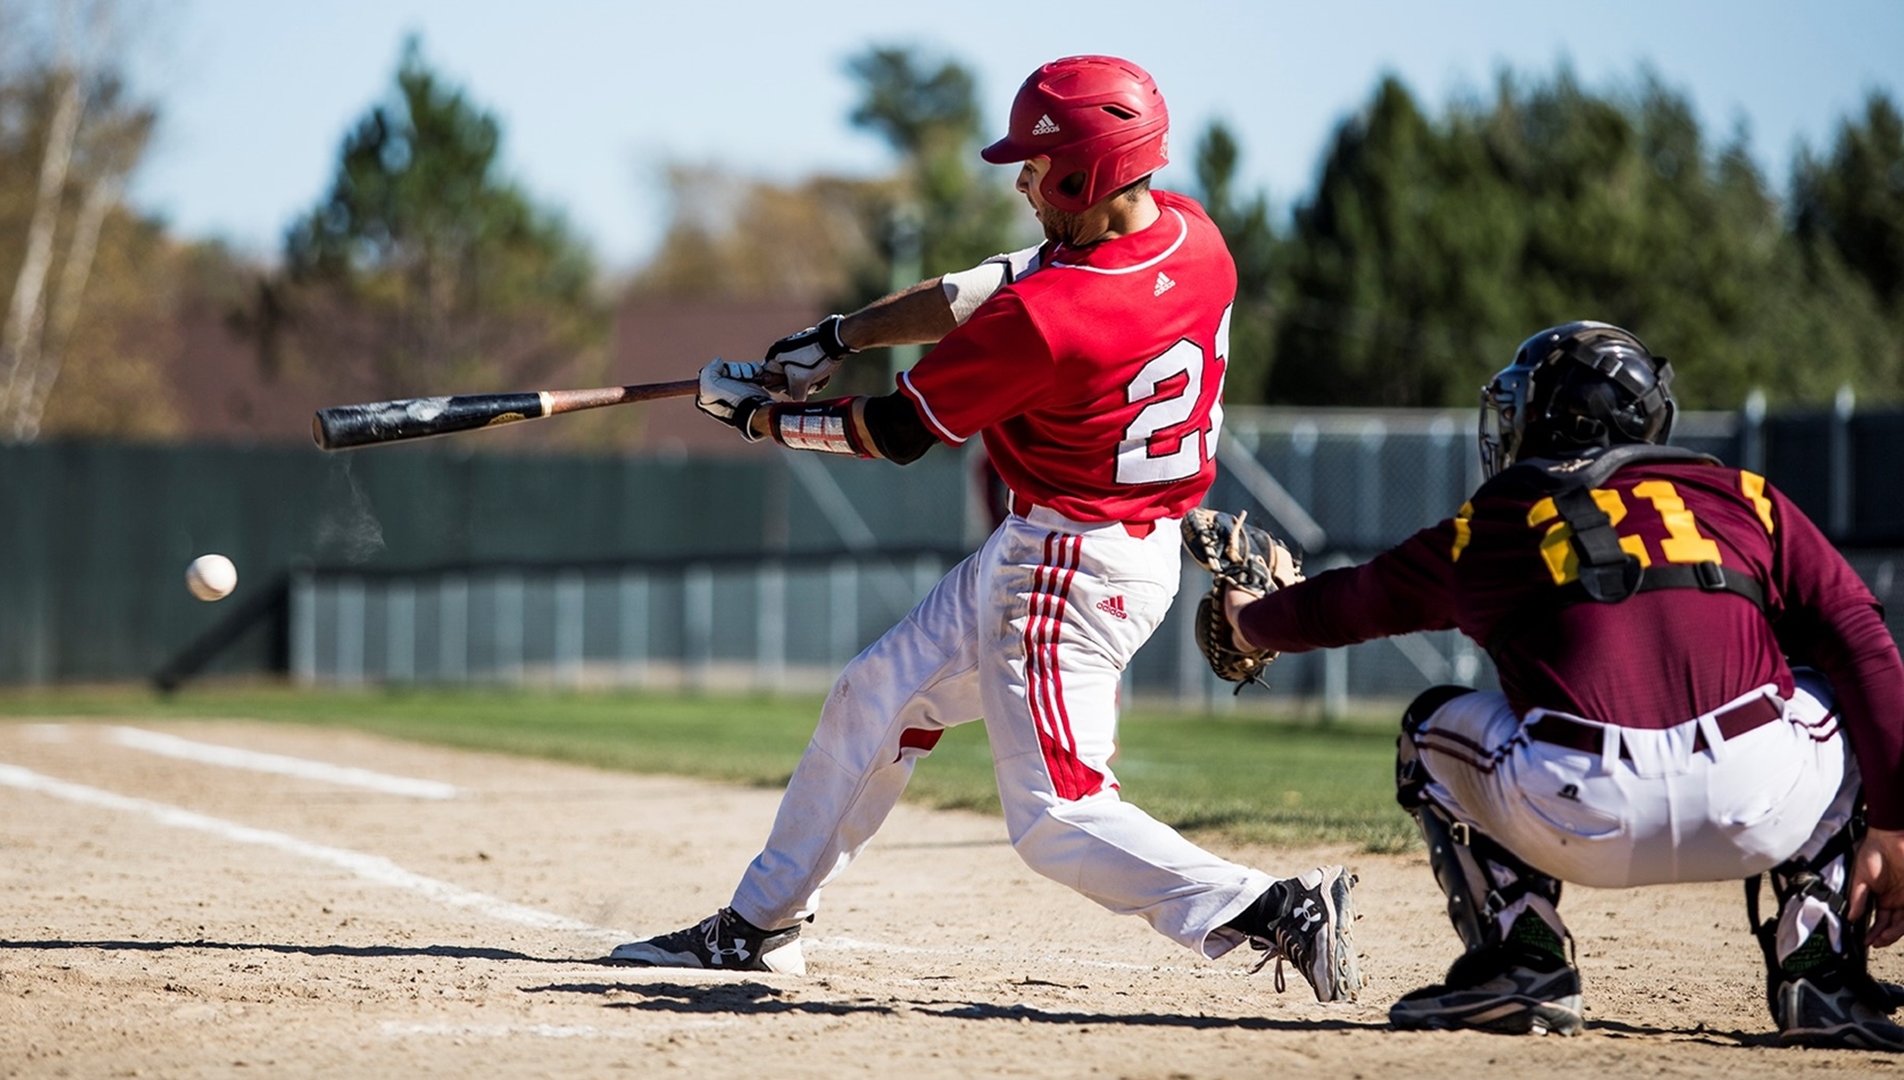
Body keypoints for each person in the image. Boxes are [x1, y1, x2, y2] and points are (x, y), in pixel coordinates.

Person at [604, 55, 1362, 1002]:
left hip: (1065, 572)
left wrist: (757, 418)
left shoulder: (1050, 321)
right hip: (1088, 547)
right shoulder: (1193, 236)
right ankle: (758, 926)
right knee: (872, 697)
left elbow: (889, 433)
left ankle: (1273, 909)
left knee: (1056, 818)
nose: (1021, 181)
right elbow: (985, 283)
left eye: (1038, 168)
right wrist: (836, 338)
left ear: (1087, 170)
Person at [1210, 321, 1904, 1045]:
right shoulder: (1742, 496)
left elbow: (1347, 604)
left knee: (1429, 728)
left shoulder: (1502, 518)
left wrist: (1249, 621)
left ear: (1555, 418)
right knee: (1829, 690)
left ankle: (1522, 967)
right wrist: (1895, 822)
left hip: (1579, 811)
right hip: (1759, 803)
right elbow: (1862, 639)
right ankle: (1819, 974)